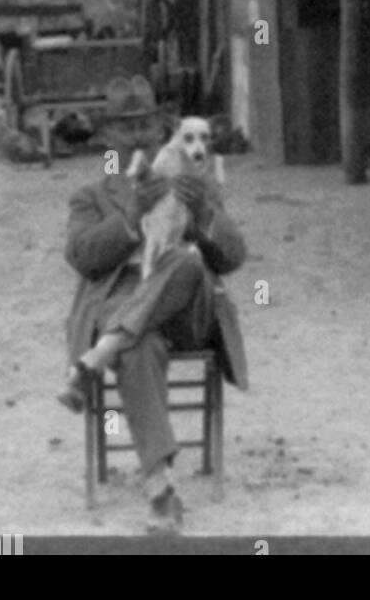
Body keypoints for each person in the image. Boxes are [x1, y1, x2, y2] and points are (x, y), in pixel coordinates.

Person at [57, 100, 248, 534]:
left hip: (187, 313)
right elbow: (82, 258)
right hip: (124, 308)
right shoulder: (91, 196)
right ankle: (161, 490)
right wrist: (131, 216)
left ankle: (97, 357)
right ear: (108, 138)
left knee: (187, 262)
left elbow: (235, 256)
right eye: (127, 129)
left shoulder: (197, 182)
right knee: (137, 344)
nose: (140, 136)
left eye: (147, 126)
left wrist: (202, 214)